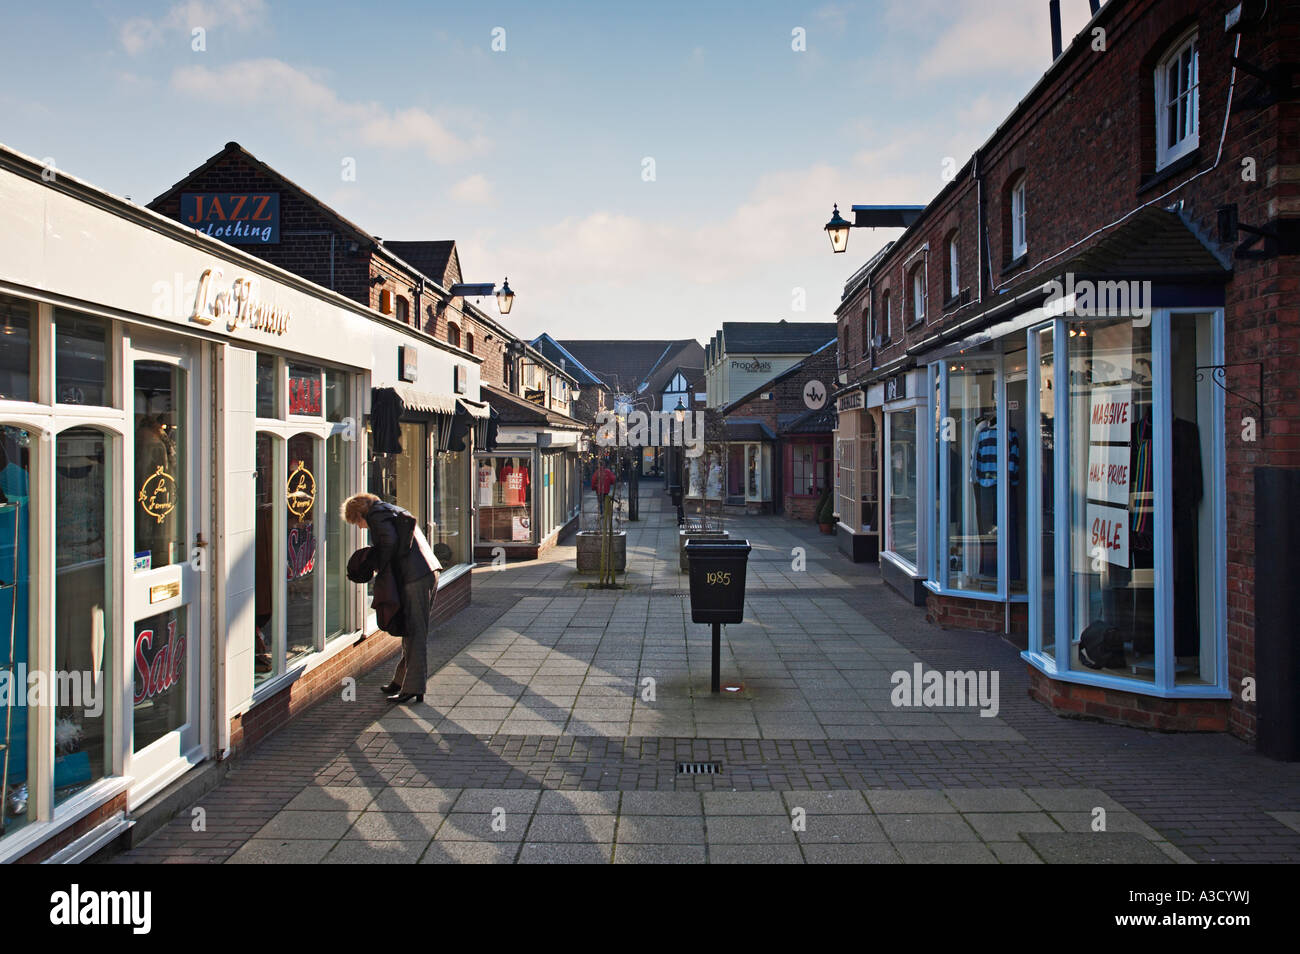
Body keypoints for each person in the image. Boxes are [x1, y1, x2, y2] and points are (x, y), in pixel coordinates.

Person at [342, 493, 440, 704]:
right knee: (412, 630)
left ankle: (413, 688)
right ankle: (401, 680)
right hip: (426, 570)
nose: (360, 528)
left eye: (357, 522)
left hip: (415, 576)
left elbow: (389, 543)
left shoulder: (377, 516)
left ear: (360, 514)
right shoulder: (390, 509)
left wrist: (375, 563)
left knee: (415, 633)